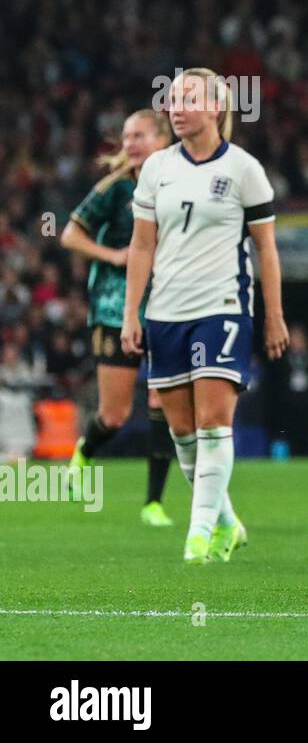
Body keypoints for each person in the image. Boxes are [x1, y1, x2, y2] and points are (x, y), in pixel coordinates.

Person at [121, 69, 289, 563]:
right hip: (165, 312)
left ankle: (197, 536)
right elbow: (142, 244)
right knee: (183, 433)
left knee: (214, 422)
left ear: (216, 108)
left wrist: (274, 315)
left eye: (188, 99)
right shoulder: (156, 169)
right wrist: (133, 314)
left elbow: (267, 250)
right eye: (172, 99)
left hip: (222, 307)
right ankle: (228, 523)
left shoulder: (243, 169)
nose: (176, 108)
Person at [62, 109, 176, 524]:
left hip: (167, 305)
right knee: (114, 415)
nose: (129, 143)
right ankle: (83, 452)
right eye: (126, 136)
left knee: (160, 399)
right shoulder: (113, 189)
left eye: (139, 135)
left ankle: (153, 503)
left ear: (163, 140)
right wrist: (113, 255)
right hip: (114, 306)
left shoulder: (179, 185)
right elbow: (70, 234)